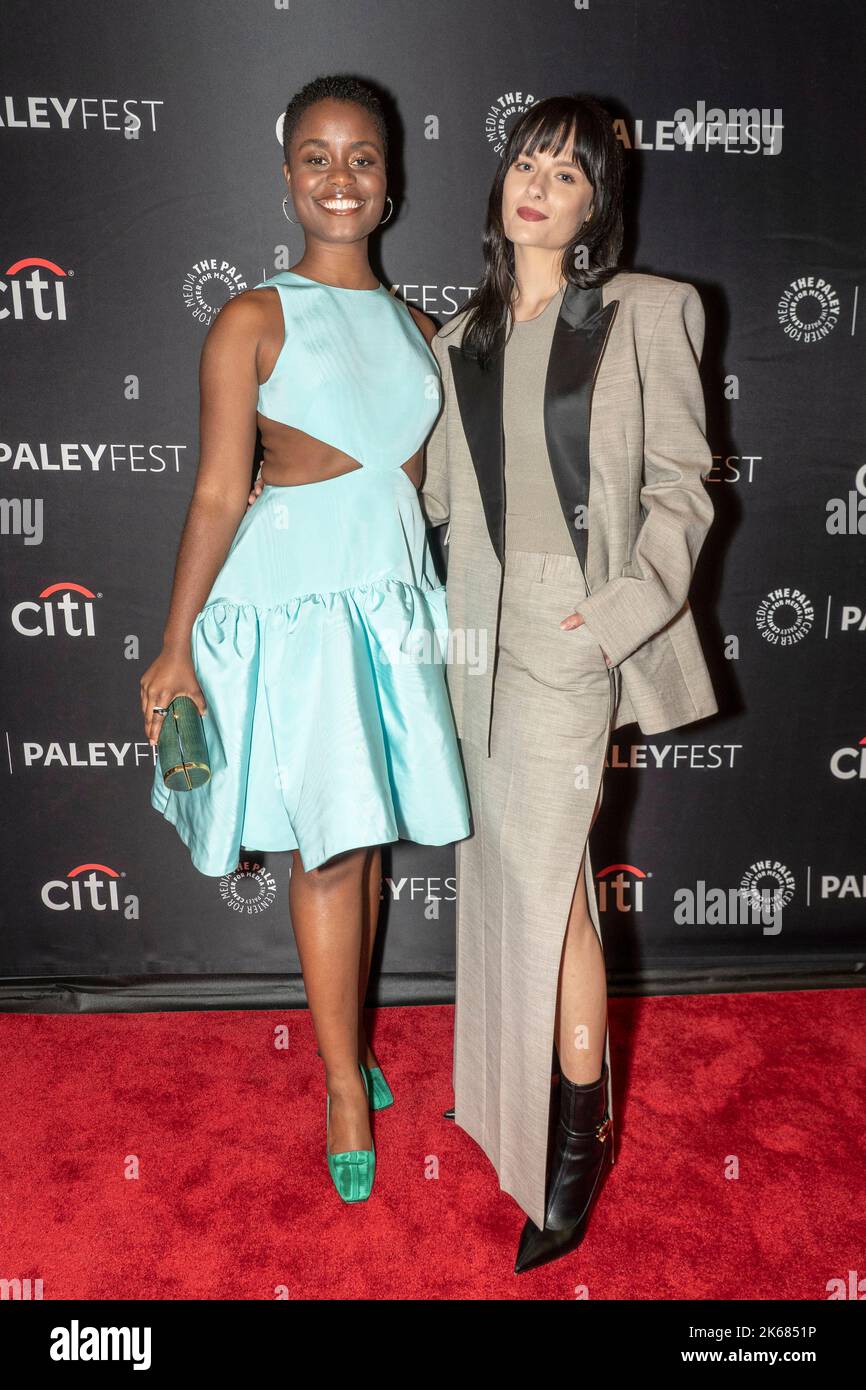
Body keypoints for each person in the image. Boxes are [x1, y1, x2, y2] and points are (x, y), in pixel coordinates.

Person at [141, 74, 470, 1207]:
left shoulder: (421, 332)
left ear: (391, 183)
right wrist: (174, 646)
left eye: (362, 158)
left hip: (389, 609)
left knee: (366, 843)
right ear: (287, 177)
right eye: (317, 157)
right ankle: (340, 1086)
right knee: (327, 852)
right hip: (294, 617)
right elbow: (215, 493)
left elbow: (420, 494)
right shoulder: (251, 318)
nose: (340, 177)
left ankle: (349, 1045)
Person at [419, 93, 719, 1273]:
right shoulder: (459, 335)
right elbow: (440, 502)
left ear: (597, 204)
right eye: (524, 163)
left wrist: (610, 620)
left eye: (566, 173)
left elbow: (682, 487)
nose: (536, 186)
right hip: (472, 636)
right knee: (498, 877)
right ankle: (509, 1103)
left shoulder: (646, 310)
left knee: (552, 891)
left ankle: (575, 1140)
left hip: (568, 629)